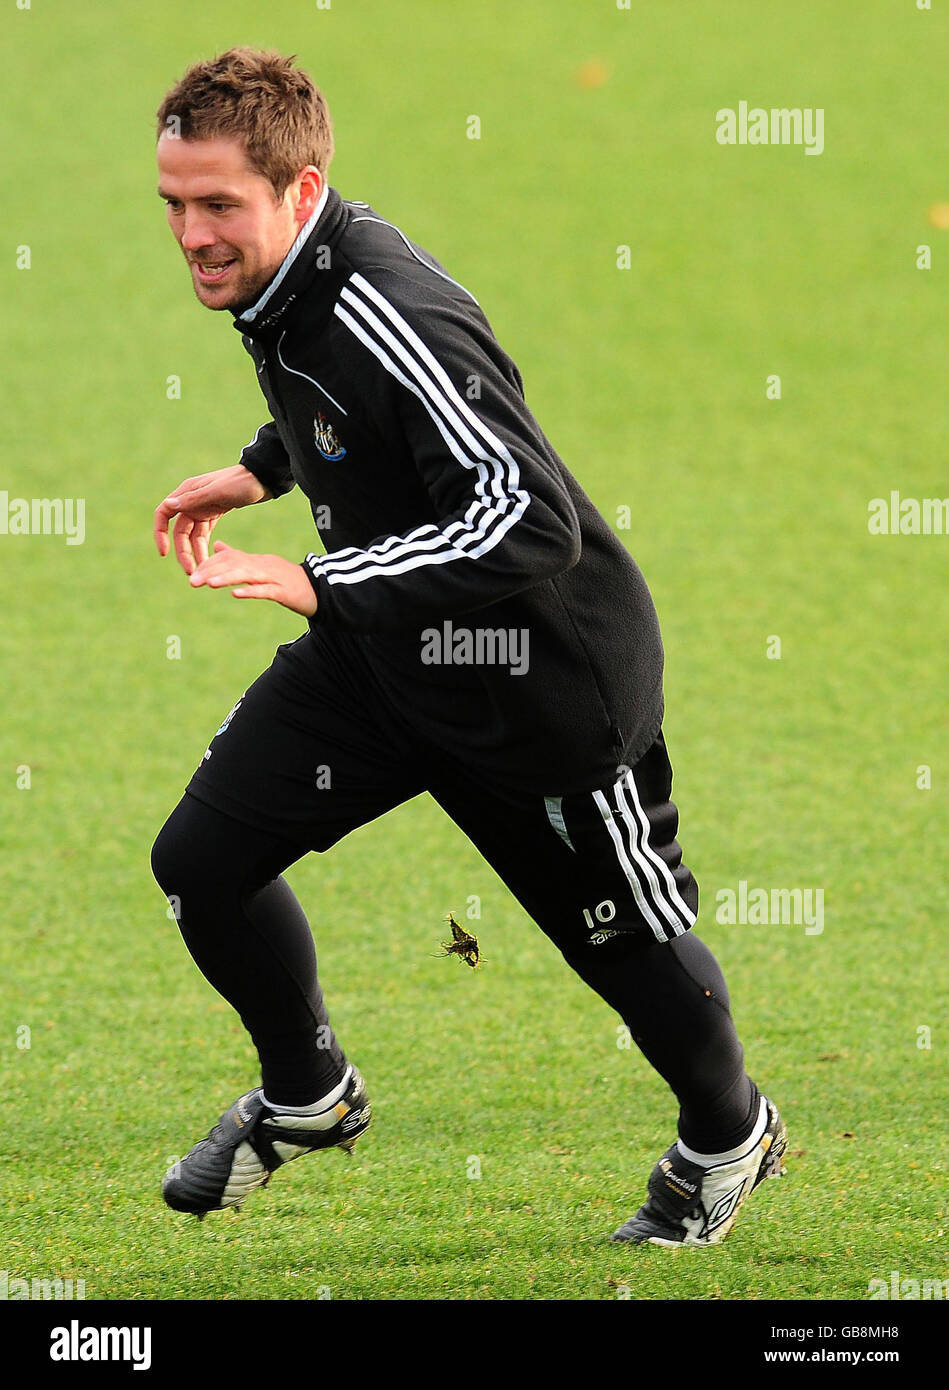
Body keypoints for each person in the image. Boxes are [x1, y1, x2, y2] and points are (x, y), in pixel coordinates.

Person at [150, 47, 786, 1245]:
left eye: (217, 204)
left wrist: (319, 576)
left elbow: (525, 515)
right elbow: (344, 402)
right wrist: (262, 467)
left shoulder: (391, 304)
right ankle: (308, 1095)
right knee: (202, 861)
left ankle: (727, 1134)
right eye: (175, 203)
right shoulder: (283, 279)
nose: (191, 233)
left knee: (628, 950)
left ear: (301, 188)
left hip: (534, 685)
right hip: (385, 652)